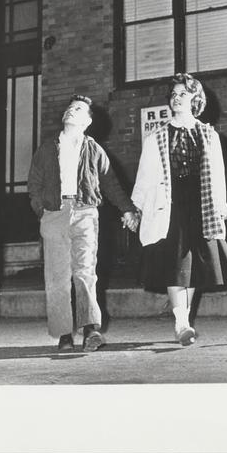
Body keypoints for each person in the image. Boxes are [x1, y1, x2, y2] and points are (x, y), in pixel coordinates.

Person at [130, 73, 227, 346]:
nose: (176, 98)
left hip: (200, 204)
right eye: (173, 94)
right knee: (174, 265)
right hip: (169, 206)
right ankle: (181, 321)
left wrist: (221, 206)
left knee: (193, 268)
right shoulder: (156, 137)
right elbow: (144, 176)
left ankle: (183, 319)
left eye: (182, 94)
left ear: (195, 98)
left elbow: (217, 173)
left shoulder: (209, 135)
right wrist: (136, 208)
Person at [28, 94, 139, 352]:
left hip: (85, 212)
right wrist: (42, 209)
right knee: (57, 277)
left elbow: (110, 183)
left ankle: (90, 330)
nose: (71, 111)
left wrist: (127, 210)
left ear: (87, 121)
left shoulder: (94, 149)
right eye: (69, 108)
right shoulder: (47, 147)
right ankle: (64, 334)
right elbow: (34, 182)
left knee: (85, 271)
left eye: (78, 109)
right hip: (54, 213)